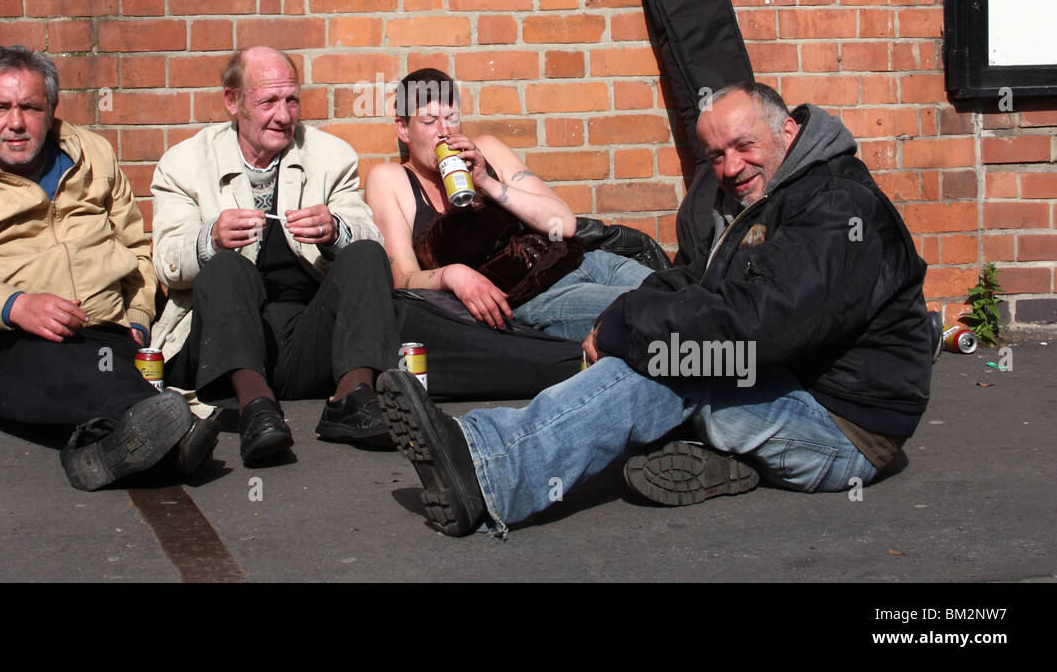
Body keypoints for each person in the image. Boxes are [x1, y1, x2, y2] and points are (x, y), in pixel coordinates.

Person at [377, 83, 933, 535]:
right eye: (715, 156)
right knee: (667, 345)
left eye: (744, 145)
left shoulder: (837, 205)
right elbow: (702, 280)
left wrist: (623, 324)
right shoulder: (776, 192)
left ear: (788, 129)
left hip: (843, 428)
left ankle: (488, 471)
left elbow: (751, 329)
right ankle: (719, 460)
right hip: (790, 383)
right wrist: (629, 311)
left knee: (675, 364)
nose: (731, 166)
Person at [0, 46, 221, 492]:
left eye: (30, 108)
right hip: (1, 343)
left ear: (51, 111)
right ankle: (170, 435)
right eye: (0, 108)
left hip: (102, 333)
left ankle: (114, 447)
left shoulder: (91, 153)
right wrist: (15, 305)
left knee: (94, 366)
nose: (15, 122)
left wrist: (135, 320)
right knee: (63, 368)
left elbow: (136, 248)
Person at [150, 47, 400, 466]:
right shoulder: (184, 163)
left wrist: (335, 230)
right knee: (226, 264)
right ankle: (256, 408)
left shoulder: (331, 156)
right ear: (232, 102)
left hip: (306, 338)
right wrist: (209, 239)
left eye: (292, 100)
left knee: (366, 254)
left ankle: (353, 398)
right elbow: (168, 263)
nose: (283, 116)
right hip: (225, 343)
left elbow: (369, 238)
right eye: (268, 102)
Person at [365, 68, 652, 343]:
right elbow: (402, 280)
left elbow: (564, 223)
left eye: (451, 118)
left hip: (588, 261)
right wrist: (451, 275)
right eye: (429, 122)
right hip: (537, 296)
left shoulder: (486, 149)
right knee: (652, 314)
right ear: (403, 130)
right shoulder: (390, 179)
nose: (444, 131)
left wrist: (488, 183)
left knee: (681, 296)